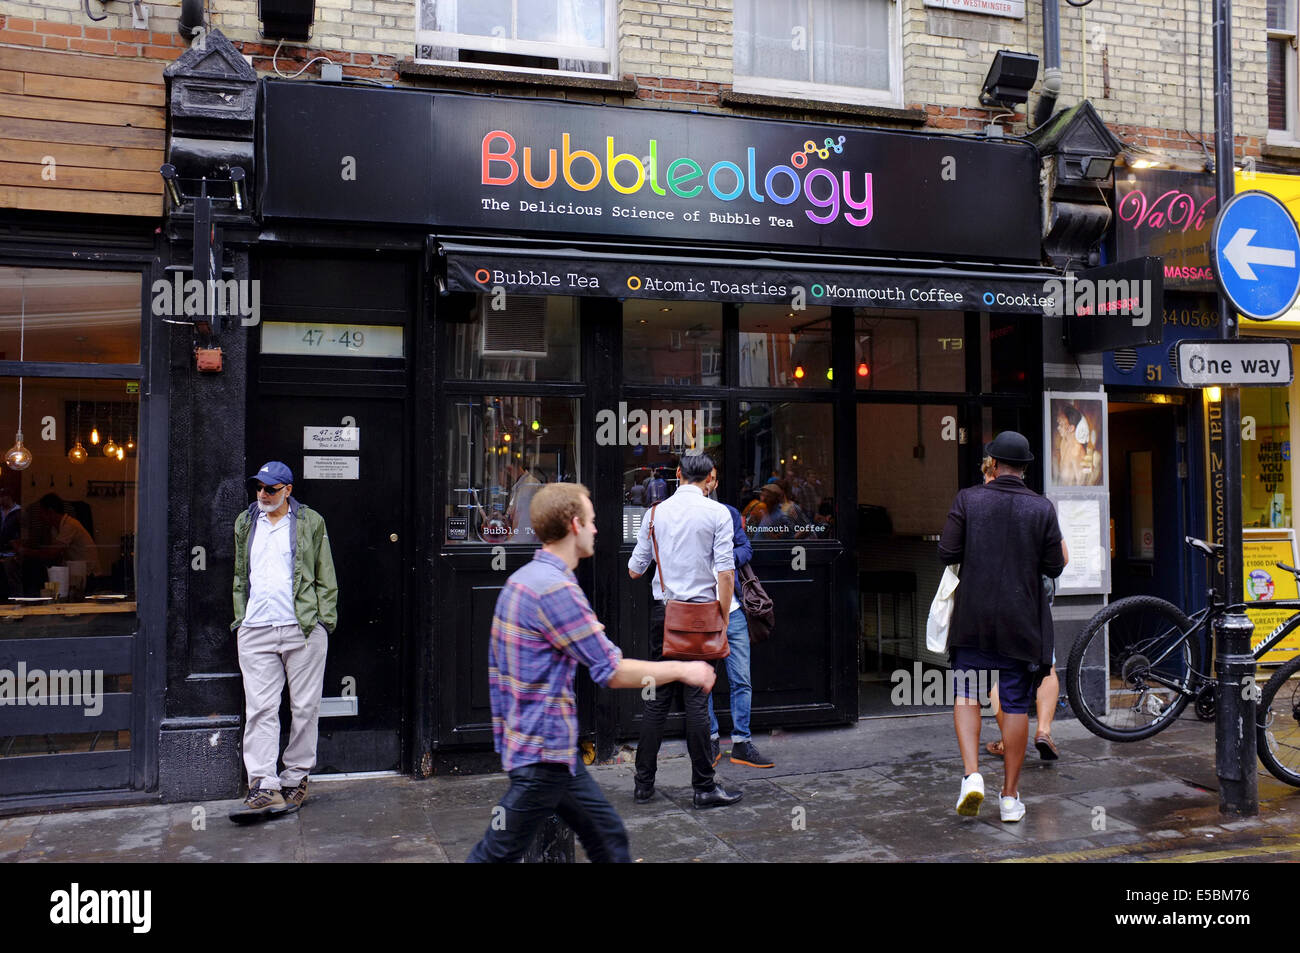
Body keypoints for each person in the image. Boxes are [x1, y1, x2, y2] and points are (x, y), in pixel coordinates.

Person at [468, 482, 717, 862]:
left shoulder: (522, 581)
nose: (597, 529)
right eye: (592, 521)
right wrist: (684, 671)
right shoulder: (556, 590)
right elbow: (612, 670)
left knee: (607, 837)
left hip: (542, 750)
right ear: (574, 525)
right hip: (544, 754)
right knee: (497, 852)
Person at [939, 432, 1066, 823]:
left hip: (973, 619)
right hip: (1021, 623)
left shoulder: (969, 499)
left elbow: (947, 552)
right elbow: (1055, 566)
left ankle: (971, 775)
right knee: (1012, 706)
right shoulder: (1041, 508)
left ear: (992, 464)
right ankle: (1010, 798)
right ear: (1025, 468)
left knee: (967, 692)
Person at [628, 453, 743, 809]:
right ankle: (704, 787)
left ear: (678, 474)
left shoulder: (655, 513)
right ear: (710, 477)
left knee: (656, 703)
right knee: (697, 701)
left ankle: (643, 785)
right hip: (701, 616)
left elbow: (635, 569)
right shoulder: (717, 513)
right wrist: (722, 617)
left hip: (664, 615)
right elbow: (725, 572)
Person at [230, 461, 337, 820]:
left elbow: (326, 574)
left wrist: (323, 621)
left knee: (305, 708)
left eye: (271, 489)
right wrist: (242, 620)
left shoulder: (311, 521)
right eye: (259, 487)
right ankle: (263, 785)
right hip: (256, 629)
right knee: (261, 709)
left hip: (302, 628)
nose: (262, 494)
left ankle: (296, 778)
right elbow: (240, 574)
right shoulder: (246, 522)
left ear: (287, 490)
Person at [975, 455, 1068, 762]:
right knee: (1047, 665)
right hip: (1038, 599)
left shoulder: (983, 507)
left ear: (992, 473)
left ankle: (1008, 742)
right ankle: (1043, 731)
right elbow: (1062, 557)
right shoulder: (1037, 507)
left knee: (997, 672)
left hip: (999, 602)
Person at [702, 469, 774, 769]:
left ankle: (742, 742)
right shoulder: (683, 516)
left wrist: (725, 559)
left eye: (711, 478)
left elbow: (747, 547)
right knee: (703, 681)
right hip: (700, 612)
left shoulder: (729, 513)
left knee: (741, 680)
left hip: (734, 611)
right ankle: (710, 738)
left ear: (715, 482)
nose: (707, 483)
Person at [18, 494, 99, 575]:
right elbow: (53, 554)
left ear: (50, 511)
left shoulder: (70, 525)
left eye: (41, 513)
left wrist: (23, 551)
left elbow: (51, 553)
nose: (39, 517)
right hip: (75, 570)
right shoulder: (55, 528)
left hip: (88, 574)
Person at [1054, 404, 1099, 486]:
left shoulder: (1077, 452)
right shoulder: (1064, 442)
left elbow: (1082, 484)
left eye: (1061, 425)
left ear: (1071, 428)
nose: (1058, 428)